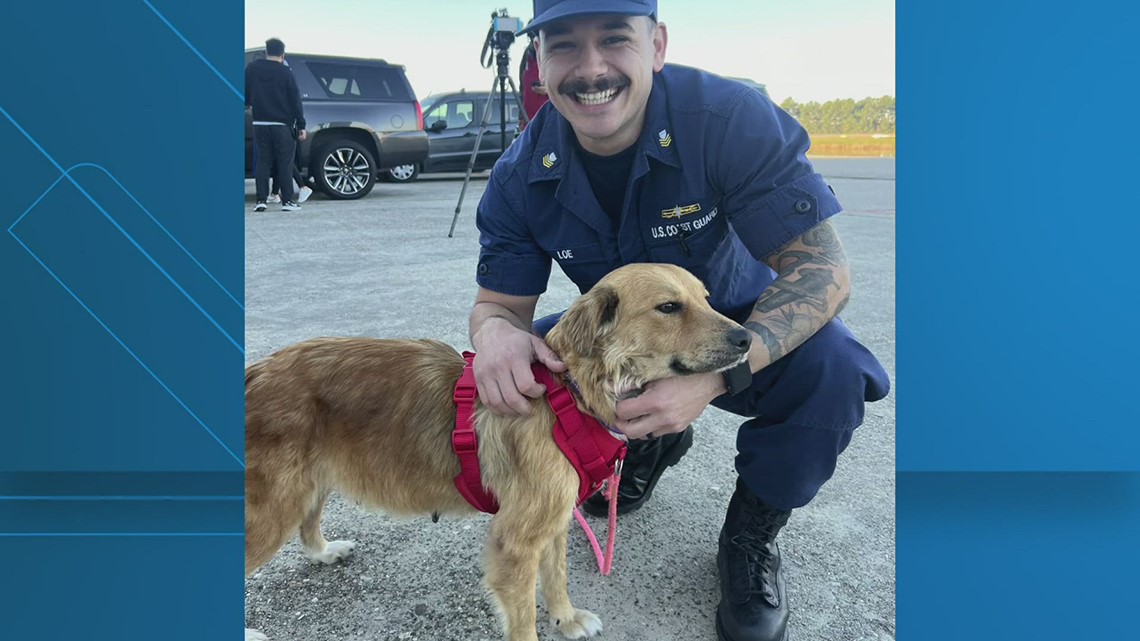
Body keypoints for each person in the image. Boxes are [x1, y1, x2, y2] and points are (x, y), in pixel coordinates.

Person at [467, 2, 890, 641]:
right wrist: (495, 333)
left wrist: (717, 380)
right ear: (538, 64)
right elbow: (499, 307)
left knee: (836, 369)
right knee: (539, 362)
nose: (590, 69)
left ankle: (751, 536)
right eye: (563, 47)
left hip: (737, 321)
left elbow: (822, 272)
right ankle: (639, 445)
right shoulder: (520, 173)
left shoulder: (726, 121)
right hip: (630, 334)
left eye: (614, 39)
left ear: (657, 44)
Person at [245, 37, 306, 212]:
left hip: (260, 123)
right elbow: (295, 99)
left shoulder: (252, 69)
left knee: (262, 162)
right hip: (282, 124)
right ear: (282, 54)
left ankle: (261, 200)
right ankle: (287, 201)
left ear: (266, 52)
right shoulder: (285, 72)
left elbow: (245, 92)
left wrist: (251, 102)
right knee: (285, 162)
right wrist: (301, 124)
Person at [517, 33, 549, 131]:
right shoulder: (528, 55)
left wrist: (550, 89)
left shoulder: (553, 54)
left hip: (549, 121)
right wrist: (521, 116)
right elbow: (522, 88)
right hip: (528, 121)